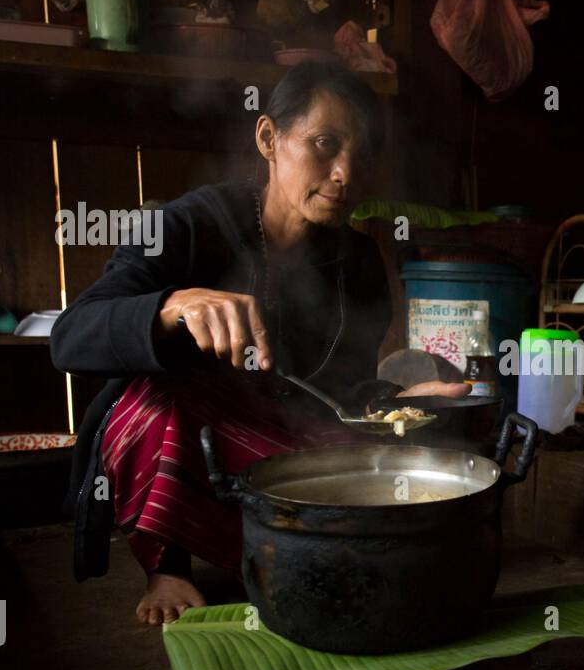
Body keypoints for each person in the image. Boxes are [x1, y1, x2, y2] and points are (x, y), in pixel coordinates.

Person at [50, 61, 468, 625]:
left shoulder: (360, 262)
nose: (346, 172)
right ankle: (168, 563)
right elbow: (70, 337)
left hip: (278, 442)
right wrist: (171, 306)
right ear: (269, 138)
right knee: (153, 402)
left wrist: (396, 401)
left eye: (361, 153)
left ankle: (303, 546)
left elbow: (340, 393)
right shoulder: (188, 225)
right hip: (195, 445)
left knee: (385, 463)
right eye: (324, 143)